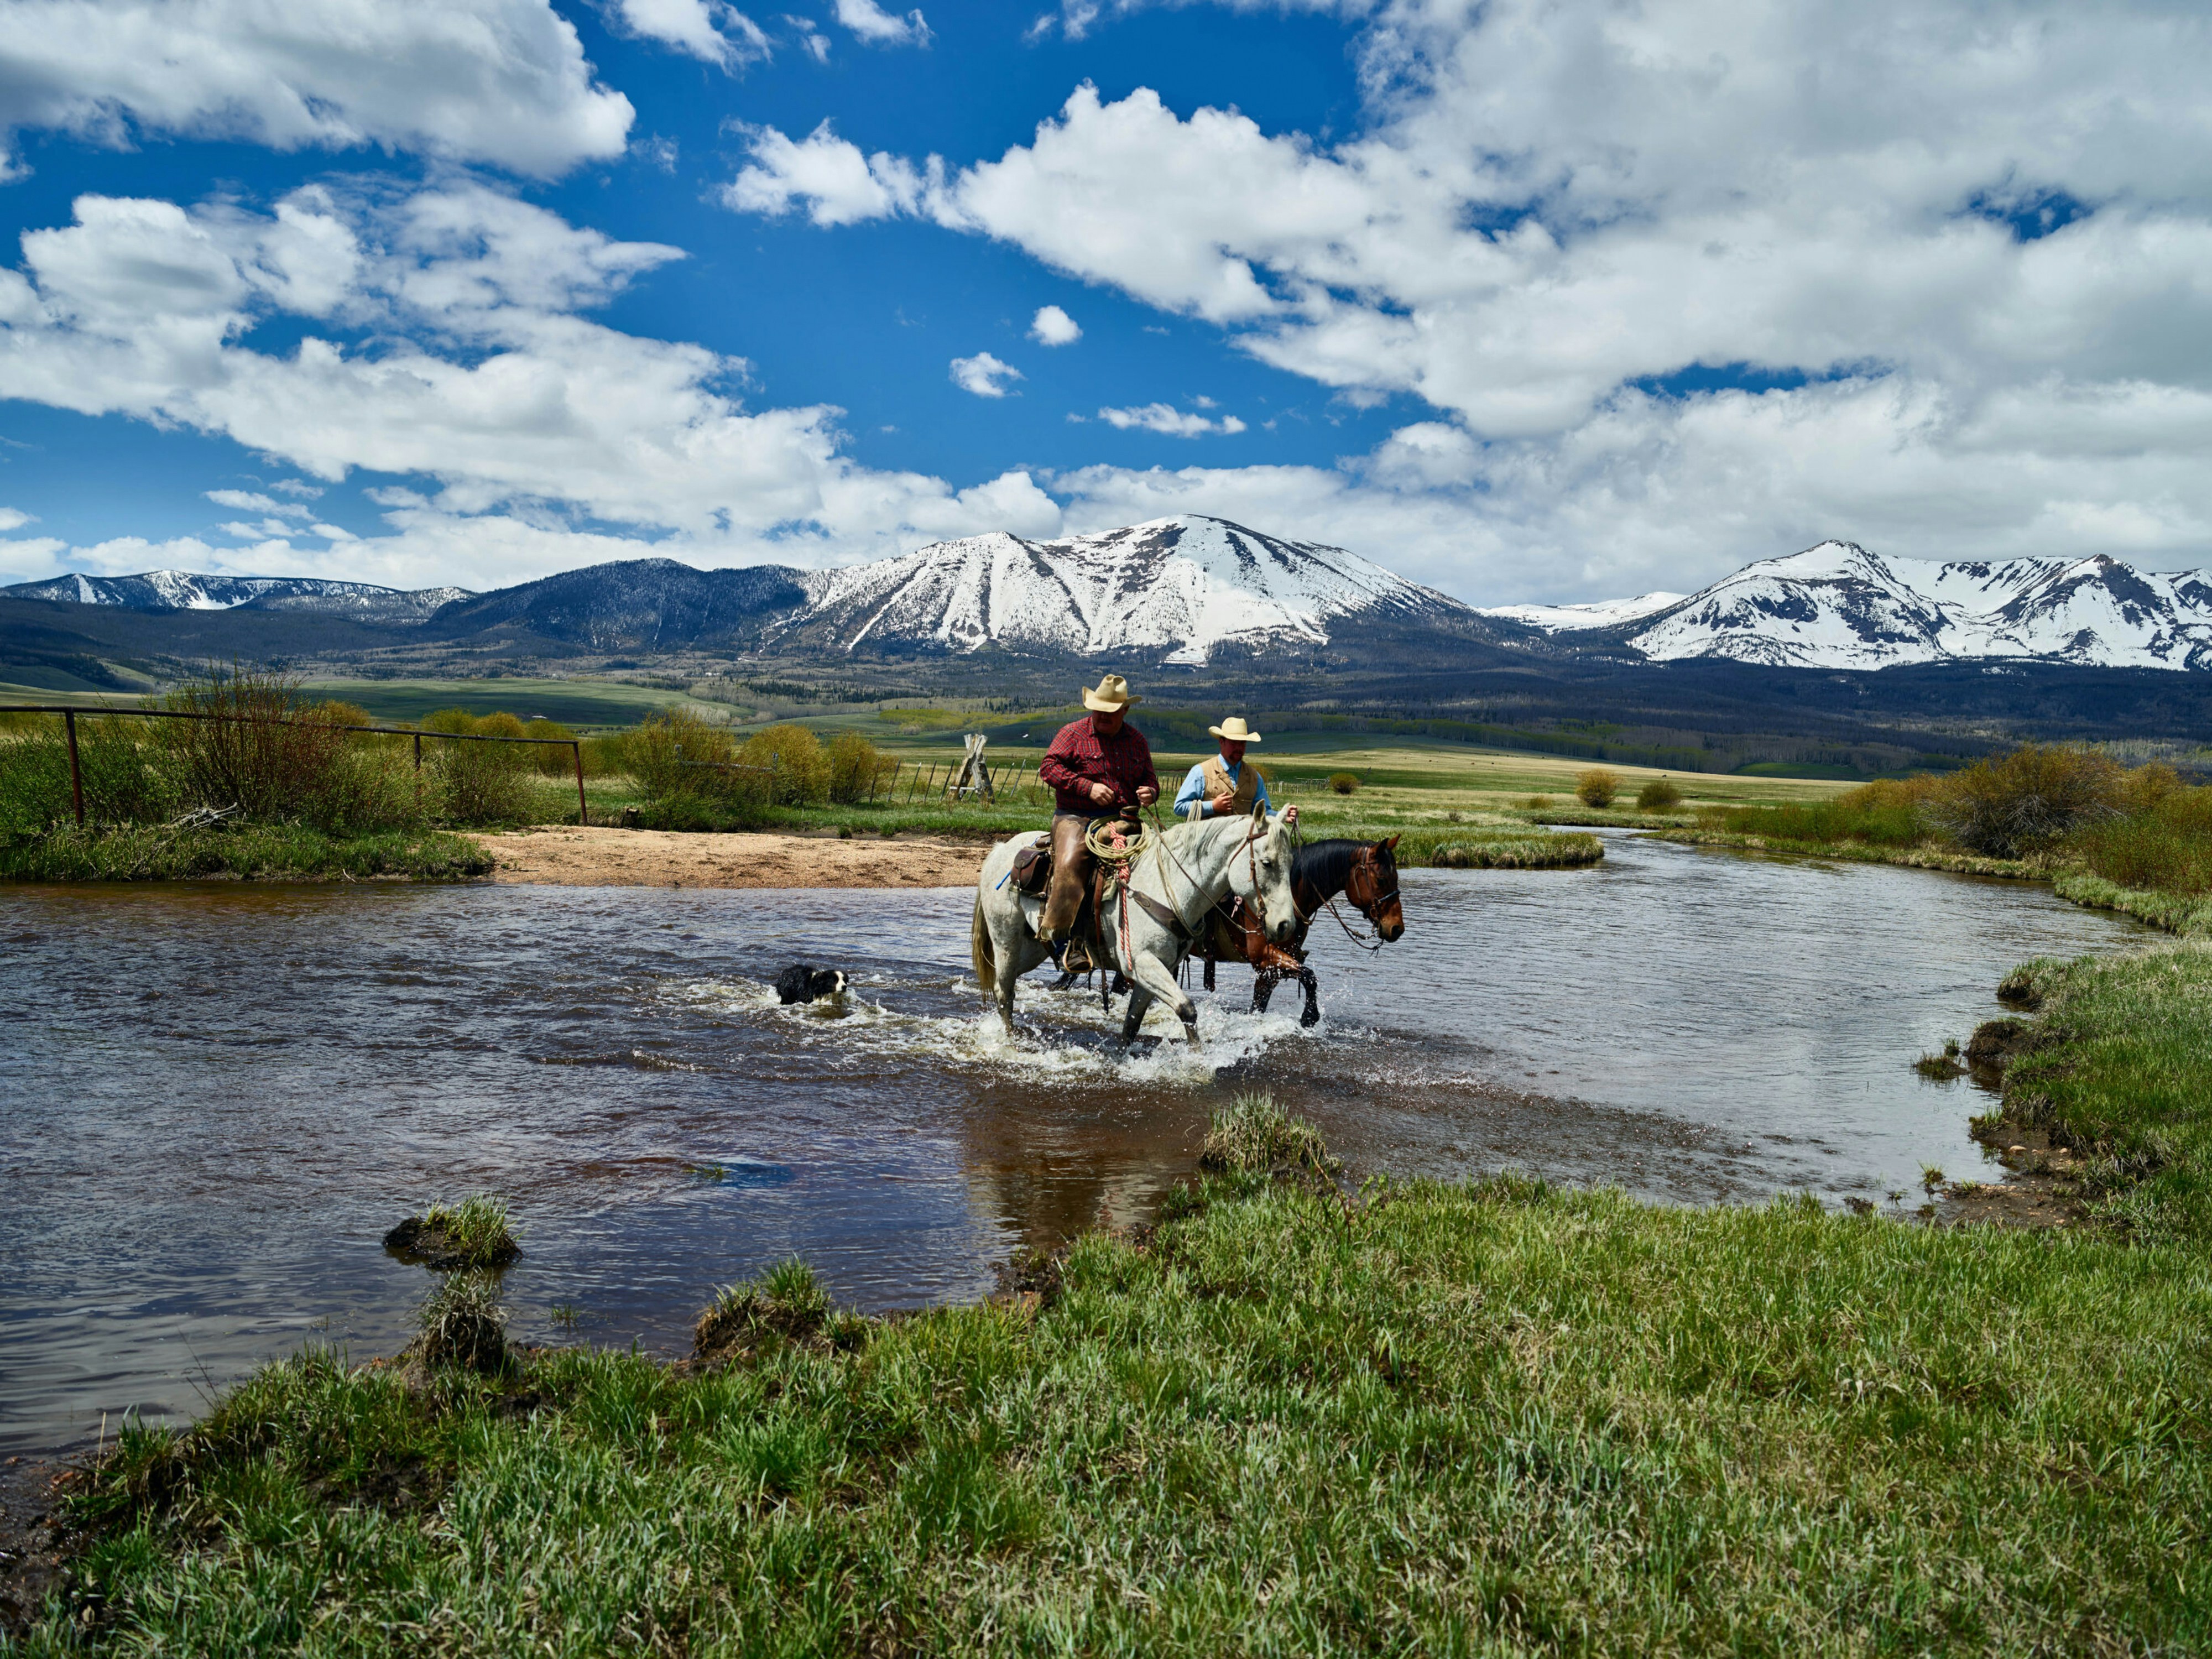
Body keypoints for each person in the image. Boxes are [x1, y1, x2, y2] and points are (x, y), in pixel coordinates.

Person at [1036, 674, 1159, 957]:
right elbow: (1049, 768)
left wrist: (1151, 792)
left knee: (1160, 860)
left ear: (1125, 710)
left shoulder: (1137, 741)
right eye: (1099, 710)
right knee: (1071, 863)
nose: (1103, 716)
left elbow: (1150, 778)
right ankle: (1066, 939)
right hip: (1076, 817)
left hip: (1125, 820)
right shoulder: (1072, 734)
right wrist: (1087, 788)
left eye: (1111, 711)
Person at [1174, 716, 1271, 820]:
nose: (1239, 748)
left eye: (1242, 743)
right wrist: (1212, 806)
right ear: (1222, 742)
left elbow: (1265, 812)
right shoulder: (1201, 772)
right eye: (1233, 743)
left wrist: (1282, 815)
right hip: (1209, 832)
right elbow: (1180, 807)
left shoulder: (1254, 777)